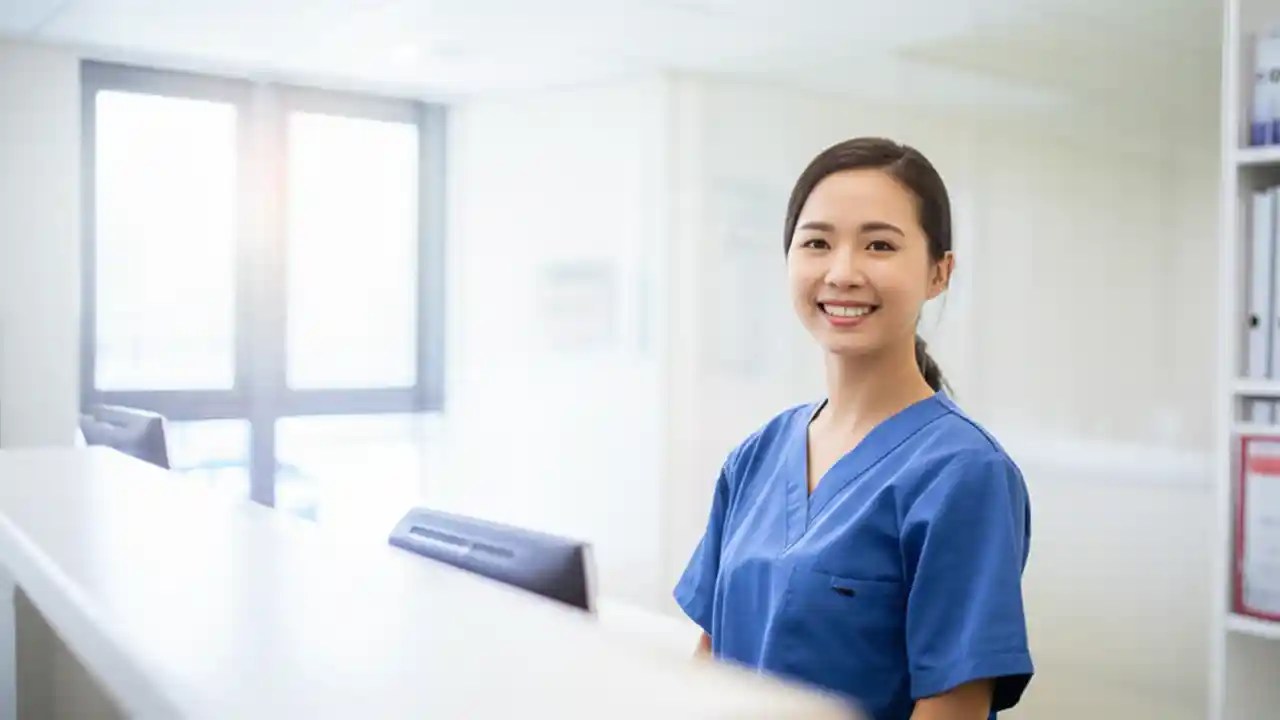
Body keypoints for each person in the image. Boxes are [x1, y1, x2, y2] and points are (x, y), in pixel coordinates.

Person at [673, 137, 1033, 720]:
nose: (842, 272)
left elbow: (954, 708)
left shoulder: (965, 475)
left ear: (940, 272)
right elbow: (711, 658)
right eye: (816, 242)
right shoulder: (755, 457)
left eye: (879, 245)